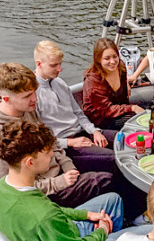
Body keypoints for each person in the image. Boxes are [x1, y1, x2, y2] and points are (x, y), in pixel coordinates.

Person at [0, 120, 150, 241]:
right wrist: (101, 230)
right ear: (29, 162)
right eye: (47, 152)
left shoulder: (3, 186)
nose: (52, 155)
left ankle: (113, 240)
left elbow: (53, 210)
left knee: (113, 200)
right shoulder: (42, 216)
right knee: (143, 234)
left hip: (62, 233)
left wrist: (87, 215)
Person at [0, 62, 113, 207]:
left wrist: (68, 166)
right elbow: (14, 188)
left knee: (113, 162)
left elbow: (51, 142)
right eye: (28, 96)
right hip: (45, 194)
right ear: (6, 99)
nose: (35, 99)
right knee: (106, 180)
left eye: (35, 92)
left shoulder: (28, 109)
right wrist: (58, 182)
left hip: (58, 168)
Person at [33, 40, 116, 174]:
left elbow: (78, 113)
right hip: (66, 146)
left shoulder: (60, 83)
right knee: (113, 158)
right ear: (39, 64)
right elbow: (39, 137)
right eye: (54, 65)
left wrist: (93, 131)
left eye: (60, 64)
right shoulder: (32, 95)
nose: (59, 69)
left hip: (83, 132)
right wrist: (70, 143)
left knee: (124, 138)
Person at [82, 38, 145, 131]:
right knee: (138, 123)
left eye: (115, 56)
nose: (112, 61)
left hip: (118, 110)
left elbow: (124, 99)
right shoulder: (93, 81)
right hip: (101, 119)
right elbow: (106, 110)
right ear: (98, 59)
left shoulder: (121, 67)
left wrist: (130, 108)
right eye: (107, 58)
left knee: (147, 112)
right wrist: (132, 108)